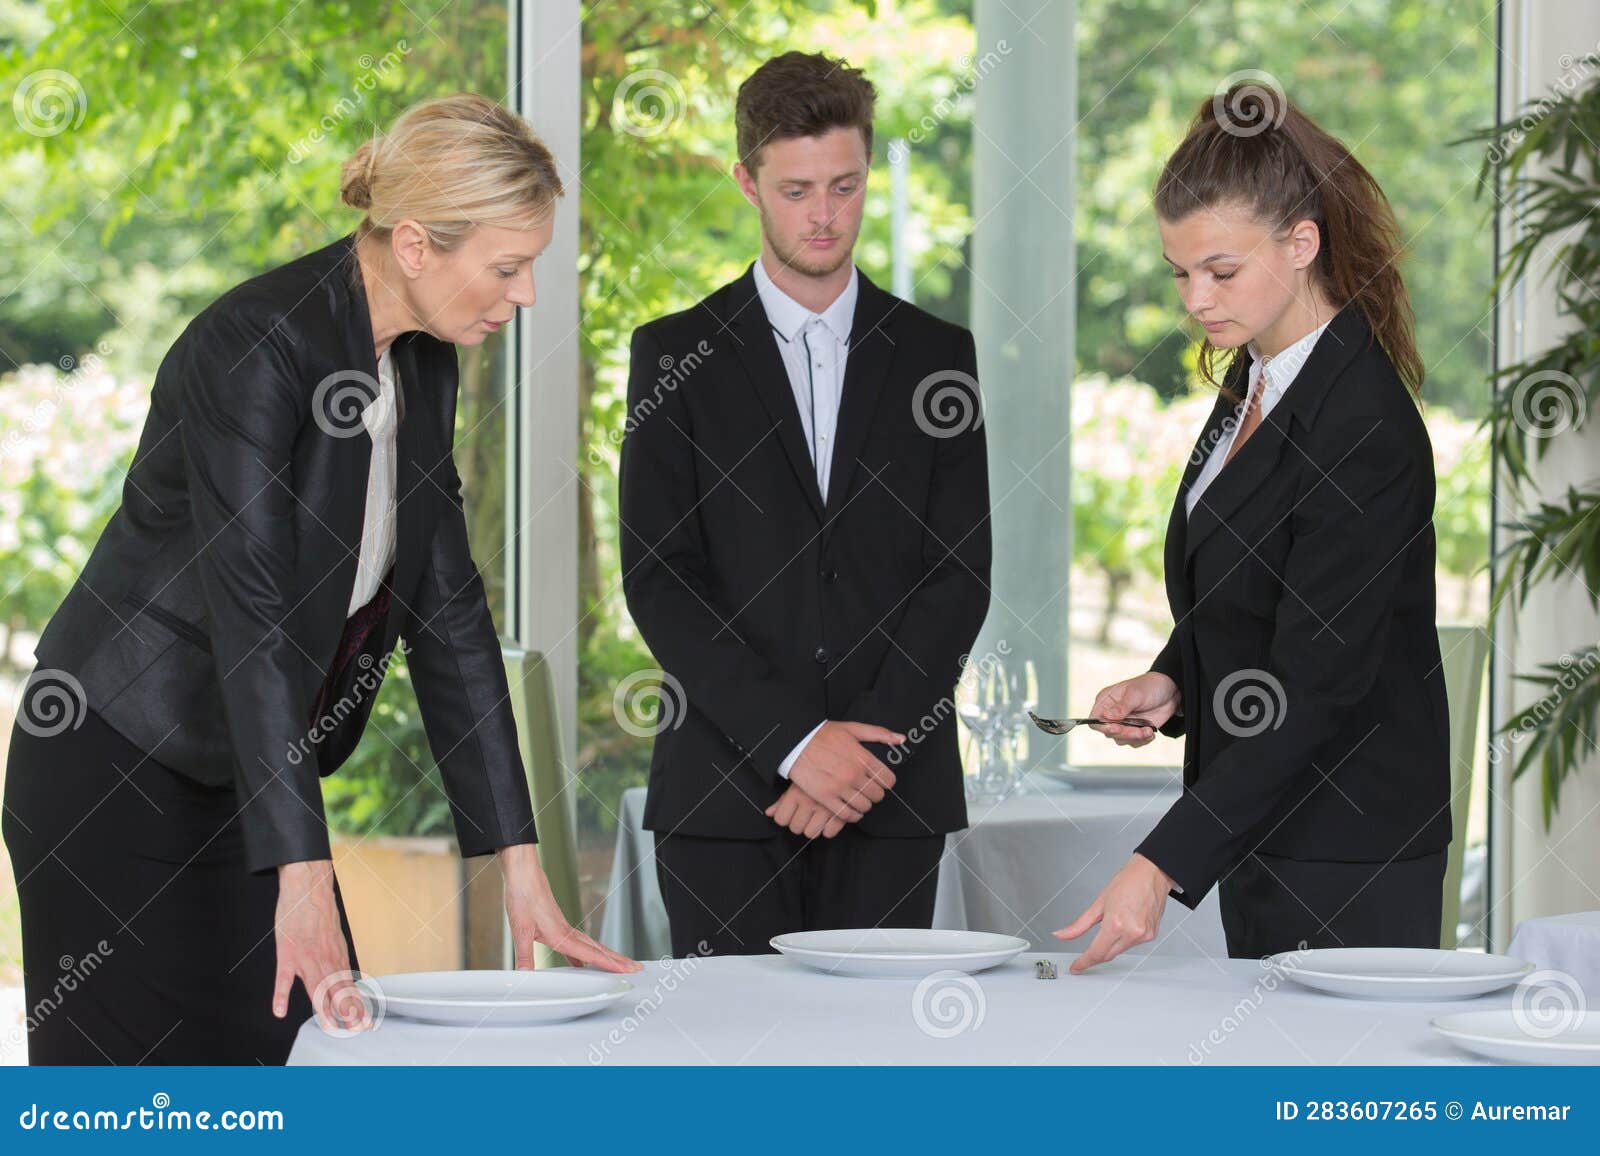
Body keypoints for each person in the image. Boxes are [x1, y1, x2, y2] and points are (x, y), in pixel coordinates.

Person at [3, 93, 639, 1066]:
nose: (525, 295)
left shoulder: (422, 362)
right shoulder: (254, 345)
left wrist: (518, 860)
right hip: (114, 765)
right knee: (131, 1108)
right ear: (416, 244)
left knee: (302, 1065)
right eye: (507, 266)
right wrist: (304, 873)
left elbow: (449, 613)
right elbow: (252, 615)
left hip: (247, 778)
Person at [1056, 84, 1450, 969]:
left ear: (1302, 243)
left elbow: (1319, 680)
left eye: (1222, 272)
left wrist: (1160, 863)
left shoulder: (1364, 424)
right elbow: (1260, 583)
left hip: (1349, 847)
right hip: (1271, 828)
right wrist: (1176, 680)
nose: (1197, 300)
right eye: (1180, 273)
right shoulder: (1257, 376)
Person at [618, 51, 992, 958]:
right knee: (734, 1049)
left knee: (876, 1048)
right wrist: (795, 745)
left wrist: (857, 764)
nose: (824, 215)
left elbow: (959, 576)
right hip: (723, 801)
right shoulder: (673, 355)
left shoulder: (939, 354)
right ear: (747, 182)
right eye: (795, 191)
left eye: (845, 186)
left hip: (891, 796)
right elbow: (661, 579)